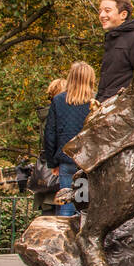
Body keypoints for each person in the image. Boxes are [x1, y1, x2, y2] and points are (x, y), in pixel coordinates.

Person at [43, 62, 96, 217]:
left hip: (66, 159)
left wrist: (52, 162)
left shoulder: (59, 101)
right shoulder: (94, 101)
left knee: (66, 204)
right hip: (87, 162)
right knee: (83, 205)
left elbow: (50, 134)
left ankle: (64, 240)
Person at [33, 78, 67, 213]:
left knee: (49, 209)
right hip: (56, 168)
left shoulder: (45, 114)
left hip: (46, 171)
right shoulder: (56, 114)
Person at [97, 0, 134, 101]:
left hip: (121, 107)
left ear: (123, 14)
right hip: (106, 104)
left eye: (107, 10)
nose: (102, 15)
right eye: (100, 11)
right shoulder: (112, 38)